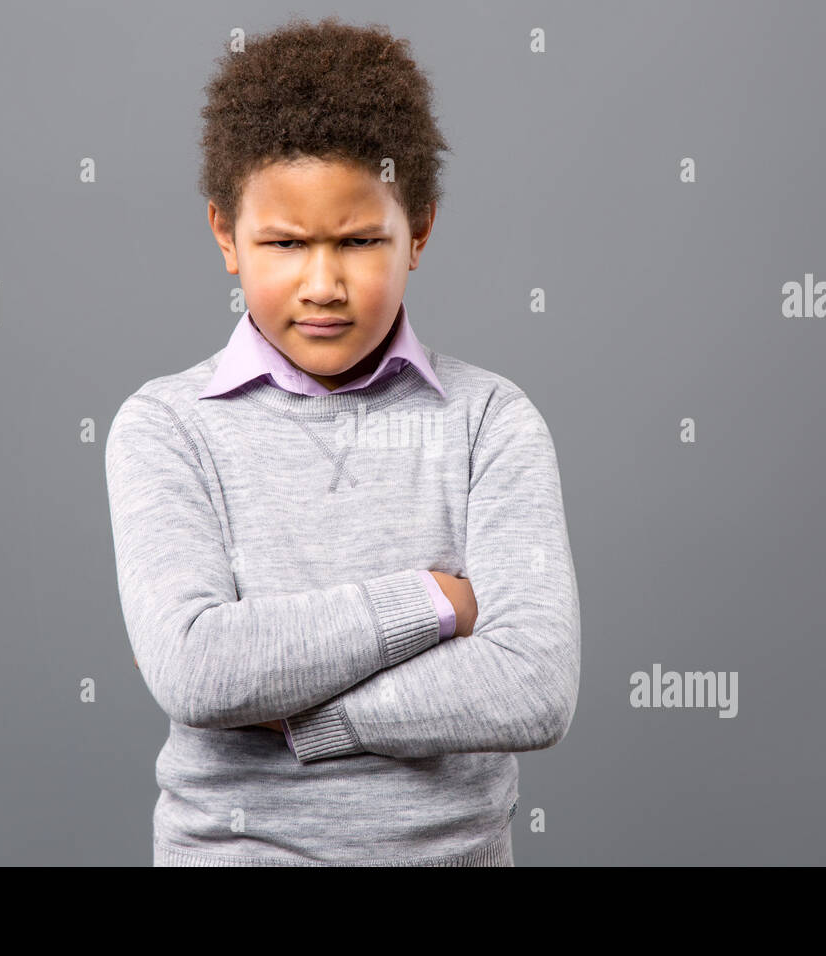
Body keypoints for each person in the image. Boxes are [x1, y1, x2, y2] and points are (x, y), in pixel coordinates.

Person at [104, 15, 580, 867]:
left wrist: (309, 715)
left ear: (420, 231)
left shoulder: (490, 420)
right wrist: (433, 601)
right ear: (225, 235)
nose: (323, 284)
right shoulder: (167, 427)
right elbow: (198, 670)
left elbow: (534, 684)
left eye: (360, 241)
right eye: (284, 244)